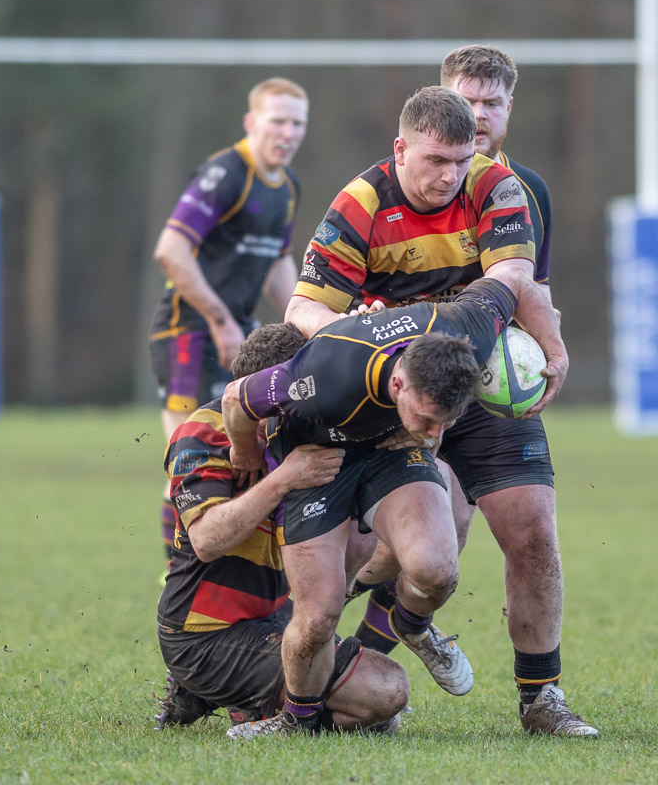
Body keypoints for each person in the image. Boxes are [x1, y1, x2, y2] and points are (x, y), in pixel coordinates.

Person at [285, 75, 598, 737]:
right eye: (436, 161)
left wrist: (553, 345)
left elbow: (515, 279)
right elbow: (302, 309)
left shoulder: (496, 185)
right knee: (393, 546)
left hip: (480, 387)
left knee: (533, 529)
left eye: (460, 161)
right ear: (400, 149)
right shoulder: (360, 203)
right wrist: (369, 338)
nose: (451, 176)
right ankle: (337, 672)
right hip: (393, 391)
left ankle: (541, 698)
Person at [223, 269, 534, 738]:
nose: (436, 434)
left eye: (446, 422)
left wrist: (554, 349)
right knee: (318, 616)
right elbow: (235, 398)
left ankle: (411, 623)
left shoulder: (465, 323)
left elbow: (516, 277)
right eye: (427, 419)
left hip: (389, 451)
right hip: (320, 459)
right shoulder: (325, 372)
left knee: (437, 569)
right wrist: (246, 453)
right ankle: (296, 722)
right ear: (398, 385)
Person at [155, 322, 408, 736]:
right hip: (203, 635)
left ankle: (246, 697)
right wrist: (285, 478)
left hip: (278, 620)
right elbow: (206, 540)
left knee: (384, 703)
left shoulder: (311, 429)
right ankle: (228, 694)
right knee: (384, 693)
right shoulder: (202, 434)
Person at [148, 77, 309, 570]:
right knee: (191, 456)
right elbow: (170, 250)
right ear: (251, 122)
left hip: (241, 334)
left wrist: (309, 326)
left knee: (243, 451)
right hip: (188, 334)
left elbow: (278, 265)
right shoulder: (225, 173)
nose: (288, 133)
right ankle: (178, 578)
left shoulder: (287, 187)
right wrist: (220, 320)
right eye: (278, 121)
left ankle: (241, 571)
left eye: (297, 123)